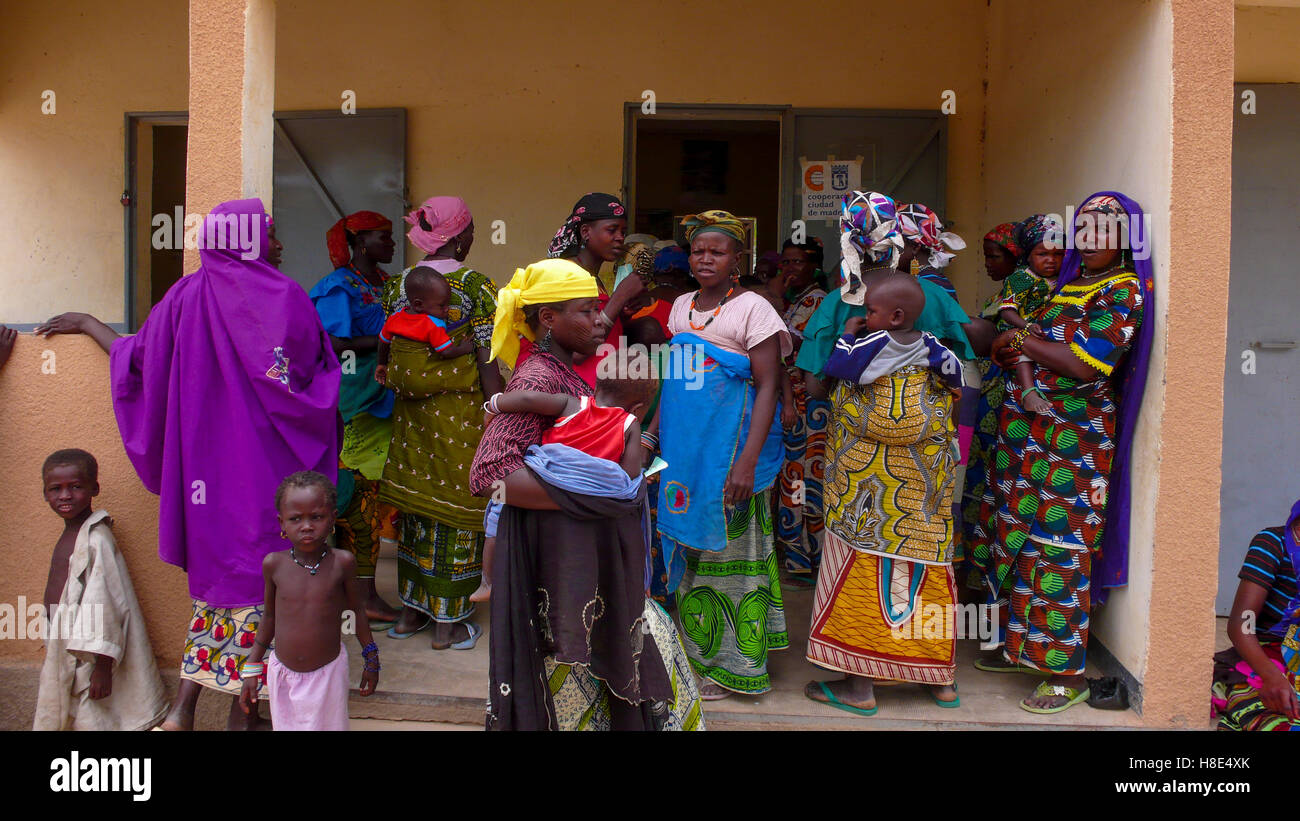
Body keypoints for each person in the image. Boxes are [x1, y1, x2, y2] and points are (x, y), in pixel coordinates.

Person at [35, 198, 340, 731]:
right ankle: (249, 709)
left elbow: (137, 360)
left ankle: (184, 709)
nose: (279, 244)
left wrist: (89, 322)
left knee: (219, 585)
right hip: (271, 476)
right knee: (267, 581)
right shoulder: (284, 296)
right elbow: (312, 378)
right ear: (248, 240)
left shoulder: (183, 297)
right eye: (269, 234)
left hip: (205, 483)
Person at [471, 259, 703, 731]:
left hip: (580, 562)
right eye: (586, 311)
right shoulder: (538, 379)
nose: (601, 320)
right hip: (561, 572)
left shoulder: (564, 372)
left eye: (599, 309)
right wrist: (604, 496)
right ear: (549, 319)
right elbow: (491, 474)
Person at [972, 191, 1154, 713]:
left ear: (1126, 239)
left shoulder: (1123, 291)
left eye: (1104, 231)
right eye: (1085, 229)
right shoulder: (1071, 285)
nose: (1089, 240)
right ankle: (1021, 648)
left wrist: (1021, 338)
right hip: (1026, 433)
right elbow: (1015, 347)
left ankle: (1065, 673)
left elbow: (1085, 365)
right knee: (1016, 540)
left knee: (1059, 547)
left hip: (1074, 439)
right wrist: (1022, 345)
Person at [802, 194, 962, 715]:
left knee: (862, 556)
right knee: (929, 558)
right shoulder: (934, 298)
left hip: (864, 472)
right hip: (928, 469)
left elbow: (817, 383)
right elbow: (967, 366)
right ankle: (940, 680)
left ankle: (861, 685)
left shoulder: (842, 302)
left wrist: (849, 344)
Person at [658, 210, 790, 701]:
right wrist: (653, 439)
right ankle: (696, 655)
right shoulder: (680, 306)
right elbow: (677, 382)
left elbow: (768, 385)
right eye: (698, 250)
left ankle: (736, 665)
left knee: (733, 558)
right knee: (692, 553)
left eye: (717, 251)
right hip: (687, 454)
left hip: (733, 451)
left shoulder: (753, 307)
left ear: (738, 258)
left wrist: (746, 463)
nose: (705, 258)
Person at [379, 196, 499, 650]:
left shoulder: (397, 286)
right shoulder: (476, 285)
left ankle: (410, 613)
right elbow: (486, 354)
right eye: (470, 232)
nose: (472, 240)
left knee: (416, 508)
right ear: (458, 235)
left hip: (412, 418)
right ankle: (448, 620)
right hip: (460, 416)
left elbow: (388, 348)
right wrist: (495, 413)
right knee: (458, 511)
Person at [473, 371, 656, 602]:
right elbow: (629, 474)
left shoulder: (571, 403)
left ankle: (488, 581)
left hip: (546, 479)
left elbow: (528, 400)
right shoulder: (630, 424)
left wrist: (494, 405)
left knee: (497, 515)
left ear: (596, 388)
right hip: (585, 495)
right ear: (638, 409)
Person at [308, 210, 402, 626]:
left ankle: (358, 593)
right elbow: (334, 341)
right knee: (354, 497)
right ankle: (356, 595)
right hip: (352, 402)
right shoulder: (336, 288)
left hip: (384, 399)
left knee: (375, 497)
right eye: (384, 237)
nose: (393, 244)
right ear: (361, 242)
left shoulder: (384, 284)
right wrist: (389, 339)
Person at [33, 449, 168, 731]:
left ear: (94, 488)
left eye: (76, 487)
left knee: (93, 717)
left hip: (91, 654)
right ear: (45, 494)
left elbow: (106, 602)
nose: (65, 496)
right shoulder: (72, 534)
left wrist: (103, 667)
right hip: (67, 641)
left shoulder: (97, 539)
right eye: (55, 489)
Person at [238, 471, 379, 731]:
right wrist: (252, 667)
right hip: (283, 676)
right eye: (295, 519)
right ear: (281, 523)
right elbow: (269, 618)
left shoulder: (342, 563)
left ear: (332, 518)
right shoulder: (274, 565)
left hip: (328, 675)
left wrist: (372, 659)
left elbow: (358, 612)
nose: (306, 526)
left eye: (316, 517)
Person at [960, 223, 1026, 589]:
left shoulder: (1025, 298)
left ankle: (984, 576)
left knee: (990, 485)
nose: (987, 262)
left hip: (1003, 402)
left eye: (994, 255)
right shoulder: (1006, 296)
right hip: (986, 397)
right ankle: (974, 570)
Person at [532, 192, 646, 387]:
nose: (620, 238)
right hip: (578, 394)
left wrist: (622, 315)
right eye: (612, 230)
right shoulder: (567, 275)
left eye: (623, 231)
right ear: (585, 232)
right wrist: (620, 297)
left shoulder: (593, 278)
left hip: (601, 391)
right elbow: (575, 352)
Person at [1212, 499, 1300, 730]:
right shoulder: (1272, 544)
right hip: (1266, 654)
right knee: (1278, 716)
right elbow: (1242, 623)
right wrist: (1271, 675)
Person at [775, 237, 830, 578]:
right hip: (794, 401)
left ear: (814, 266)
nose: (789, 269)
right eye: (786, 262)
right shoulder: (796, 301)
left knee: (810, 475)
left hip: (810, 403)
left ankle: (810, 557)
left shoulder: (819, 300)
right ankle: (799, 556)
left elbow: (791, 344)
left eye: (796, 262)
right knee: (796, 475)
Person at [998, 215, 1066, 416]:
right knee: (1023, 350)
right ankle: (1029, 392)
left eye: (1058, 254)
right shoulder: (1020, 278)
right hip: (1019, 326)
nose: (1050, 260)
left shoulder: (1064, 279)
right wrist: (1025, 326)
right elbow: (1007, 310)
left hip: (1041, 331)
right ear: (1028, 256)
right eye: (1042, 254)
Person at [374, 268, 477, 383]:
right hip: (424, 381)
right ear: (418, 305)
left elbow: (383, 342)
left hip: (399, 379)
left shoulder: (394, 317)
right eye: (442, 305)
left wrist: (381, 364)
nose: (447, 309)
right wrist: (464, 348)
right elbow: (446, 351)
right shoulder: (433, 325)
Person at [896, 202, 965, 299]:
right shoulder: (927, 280)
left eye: (894, 244)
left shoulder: (927, 286)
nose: (888, 251)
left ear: (915, 248)